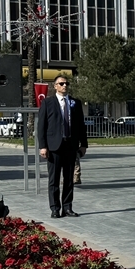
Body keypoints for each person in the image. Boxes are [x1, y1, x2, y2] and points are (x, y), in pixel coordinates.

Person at [37, 75, 87, 218]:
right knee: (54, 179)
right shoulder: (48, 103)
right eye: (61, 83)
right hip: (54, 146)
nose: (65, 86)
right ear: (55, 86)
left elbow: (80, 126)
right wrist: (43, 146)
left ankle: (67, 207)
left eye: (66, 83)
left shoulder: (75, 103)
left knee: (68, 179)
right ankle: (54, 208)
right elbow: (42, 127)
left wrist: (83, 144)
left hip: (70, 145)